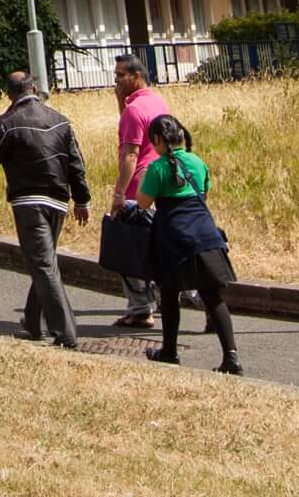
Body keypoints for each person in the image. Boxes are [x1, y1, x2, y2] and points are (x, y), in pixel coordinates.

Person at [0, 69, 91, 350]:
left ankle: (65, 333)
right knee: (44, 261)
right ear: (34, 89)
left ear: (9, 94)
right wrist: (82, 200)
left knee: (43, 264)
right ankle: (32, 320)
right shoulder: (61, 120)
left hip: (28, 202)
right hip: (59, 201)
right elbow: (76, 163)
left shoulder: (6, 124)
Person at [131, 112, 241, 375]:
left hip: (173, 238)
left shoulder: (157, 168)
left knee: (170, 293)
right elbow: (204, 193)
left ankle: (169, 351)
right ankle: (231, 357)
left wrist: (144, 179)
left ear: (158, 139)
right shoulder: (197, 162)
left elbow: (143, 203)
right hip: (205, 233)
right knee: (212, 295)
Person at [108, 52, 171, 327]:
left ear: (136, 76)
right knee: (163, 248)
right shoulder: (157, 102)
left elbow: (130, 153)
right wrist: (120, 102)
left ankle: (140, 309)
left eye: (121, 75)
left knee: (129, 250)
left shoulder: (134, 110)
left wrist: (119, 194)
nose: (116, 80)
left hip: (138, 189)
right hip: (162, 184)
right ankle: (200, 300)